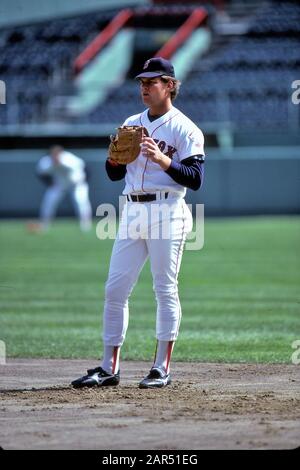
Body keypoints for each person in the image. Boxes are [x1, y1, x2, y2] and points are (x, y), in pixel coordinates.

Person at [72, 57, 205, 389]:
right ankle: (108, 367)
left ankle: (161, 367)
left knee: (164, 288)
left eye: (152, 82)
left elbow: (196, 178)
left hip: (168, 210)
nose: (144, 88)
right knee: (115, 289)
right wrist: (113, 159)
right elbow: (116, 173)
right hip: (131, 210)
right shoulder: (132, 122)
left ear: (170, 85)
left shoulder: (186, 129)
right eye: (142, 83)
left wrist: (163, 159)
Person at [35, 145, 92, 232]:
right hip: (60, 185)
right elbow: (40, 173)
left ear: (61, 154)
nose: (55, 157)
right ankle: (44, 225)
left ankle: (85, 226)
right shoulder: (46, 162)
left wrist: (85, 179)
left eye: (57, 155)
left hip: (76, 184)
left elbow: (85, 168)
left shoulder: (69, 159)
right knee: (49, 202)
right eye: (53, 155)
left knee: (81, 202)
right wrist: (50, 183)